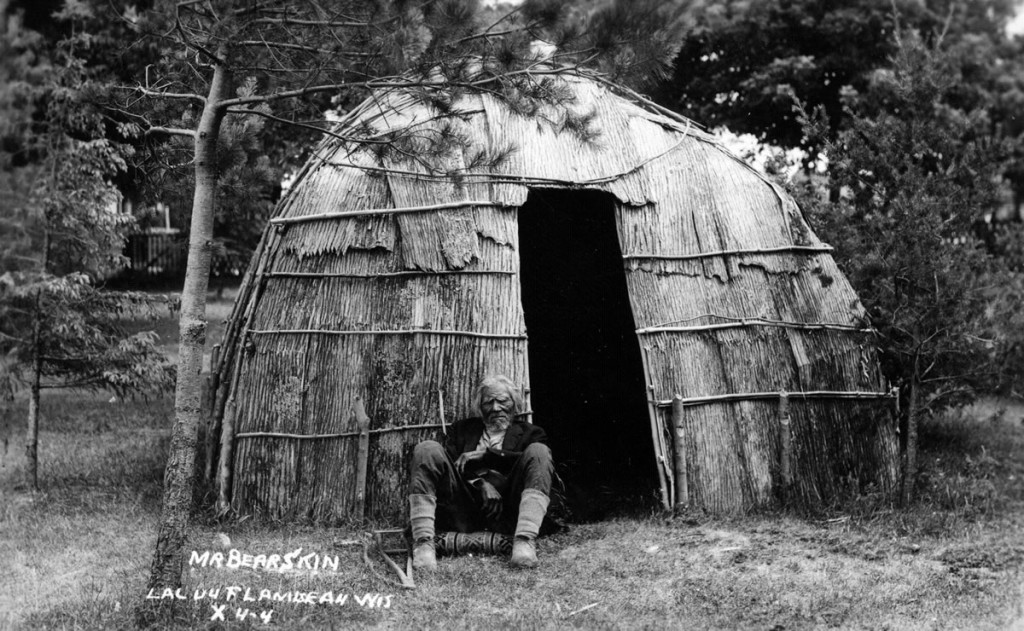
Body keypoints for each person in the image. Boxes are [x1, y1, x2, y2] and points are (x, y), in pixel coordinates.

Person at [408, 374, 554, 570]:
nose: (495, 408)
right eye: (488, 403)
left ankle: (524, 540)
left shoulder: (532, 433)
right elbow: (449, 467)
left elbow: (530, 465)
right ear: (480, 407)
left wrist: (486, 455)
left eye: (502, 401)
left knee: (539, 452)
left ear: (515, 403)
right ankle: (424, 543)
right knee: (427, 449)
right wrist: (481, 483)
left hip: (509, 511)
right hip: (463, 509)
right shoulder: (462, 430)